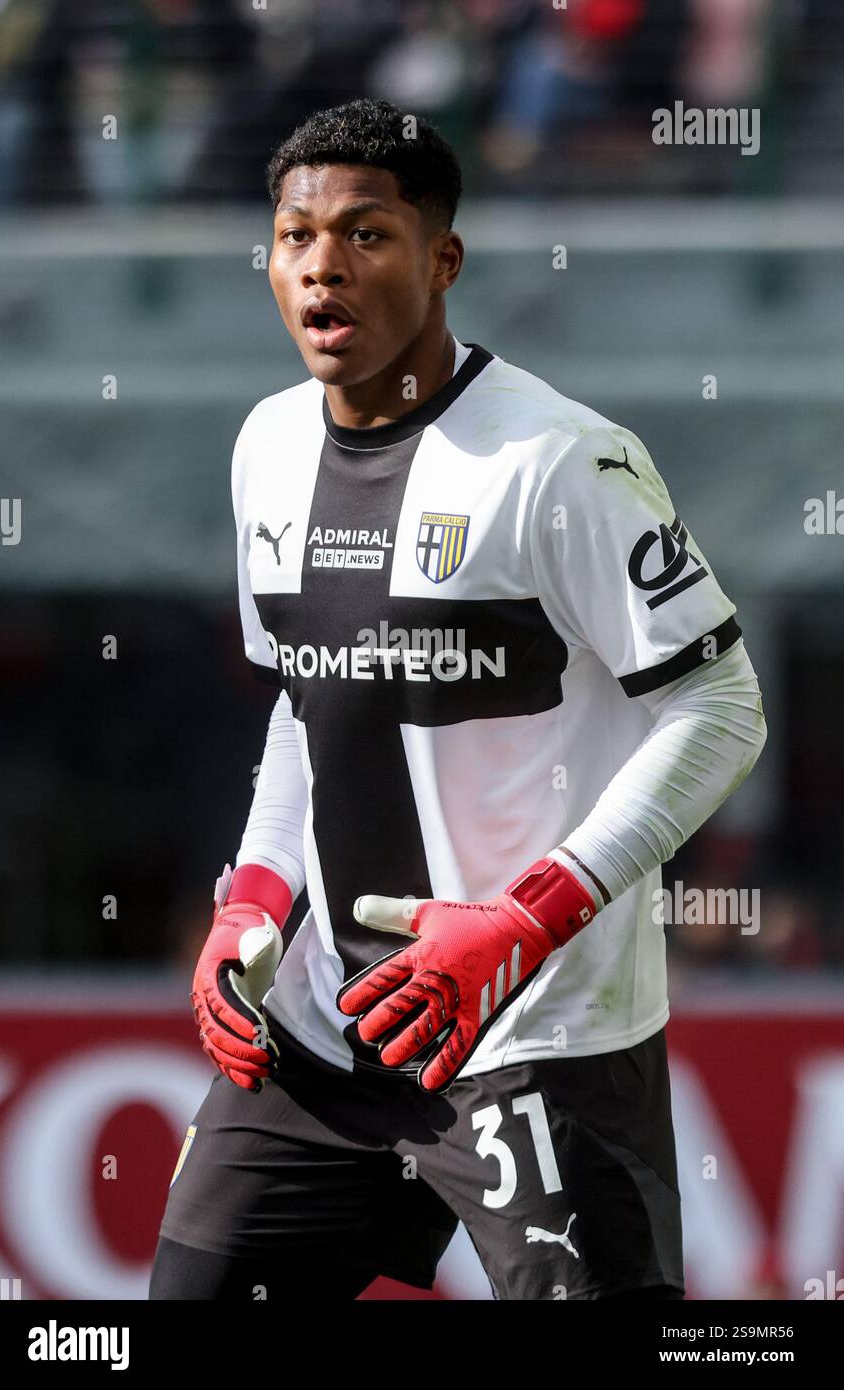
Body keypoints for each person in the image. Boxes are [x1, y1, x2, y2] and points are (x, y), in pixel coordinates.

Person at [149, 97, 767, 1301]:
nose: (323, 265)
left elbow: (721, 706)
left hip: (535, 1040)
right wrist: (255, 897)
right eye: (295, 237)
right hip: (322, 1038)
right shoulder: (264, 447)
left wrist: (521, 920)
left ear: (442, 260)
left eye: (366, 235)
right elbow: (306, 706)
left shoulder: (558, 462)